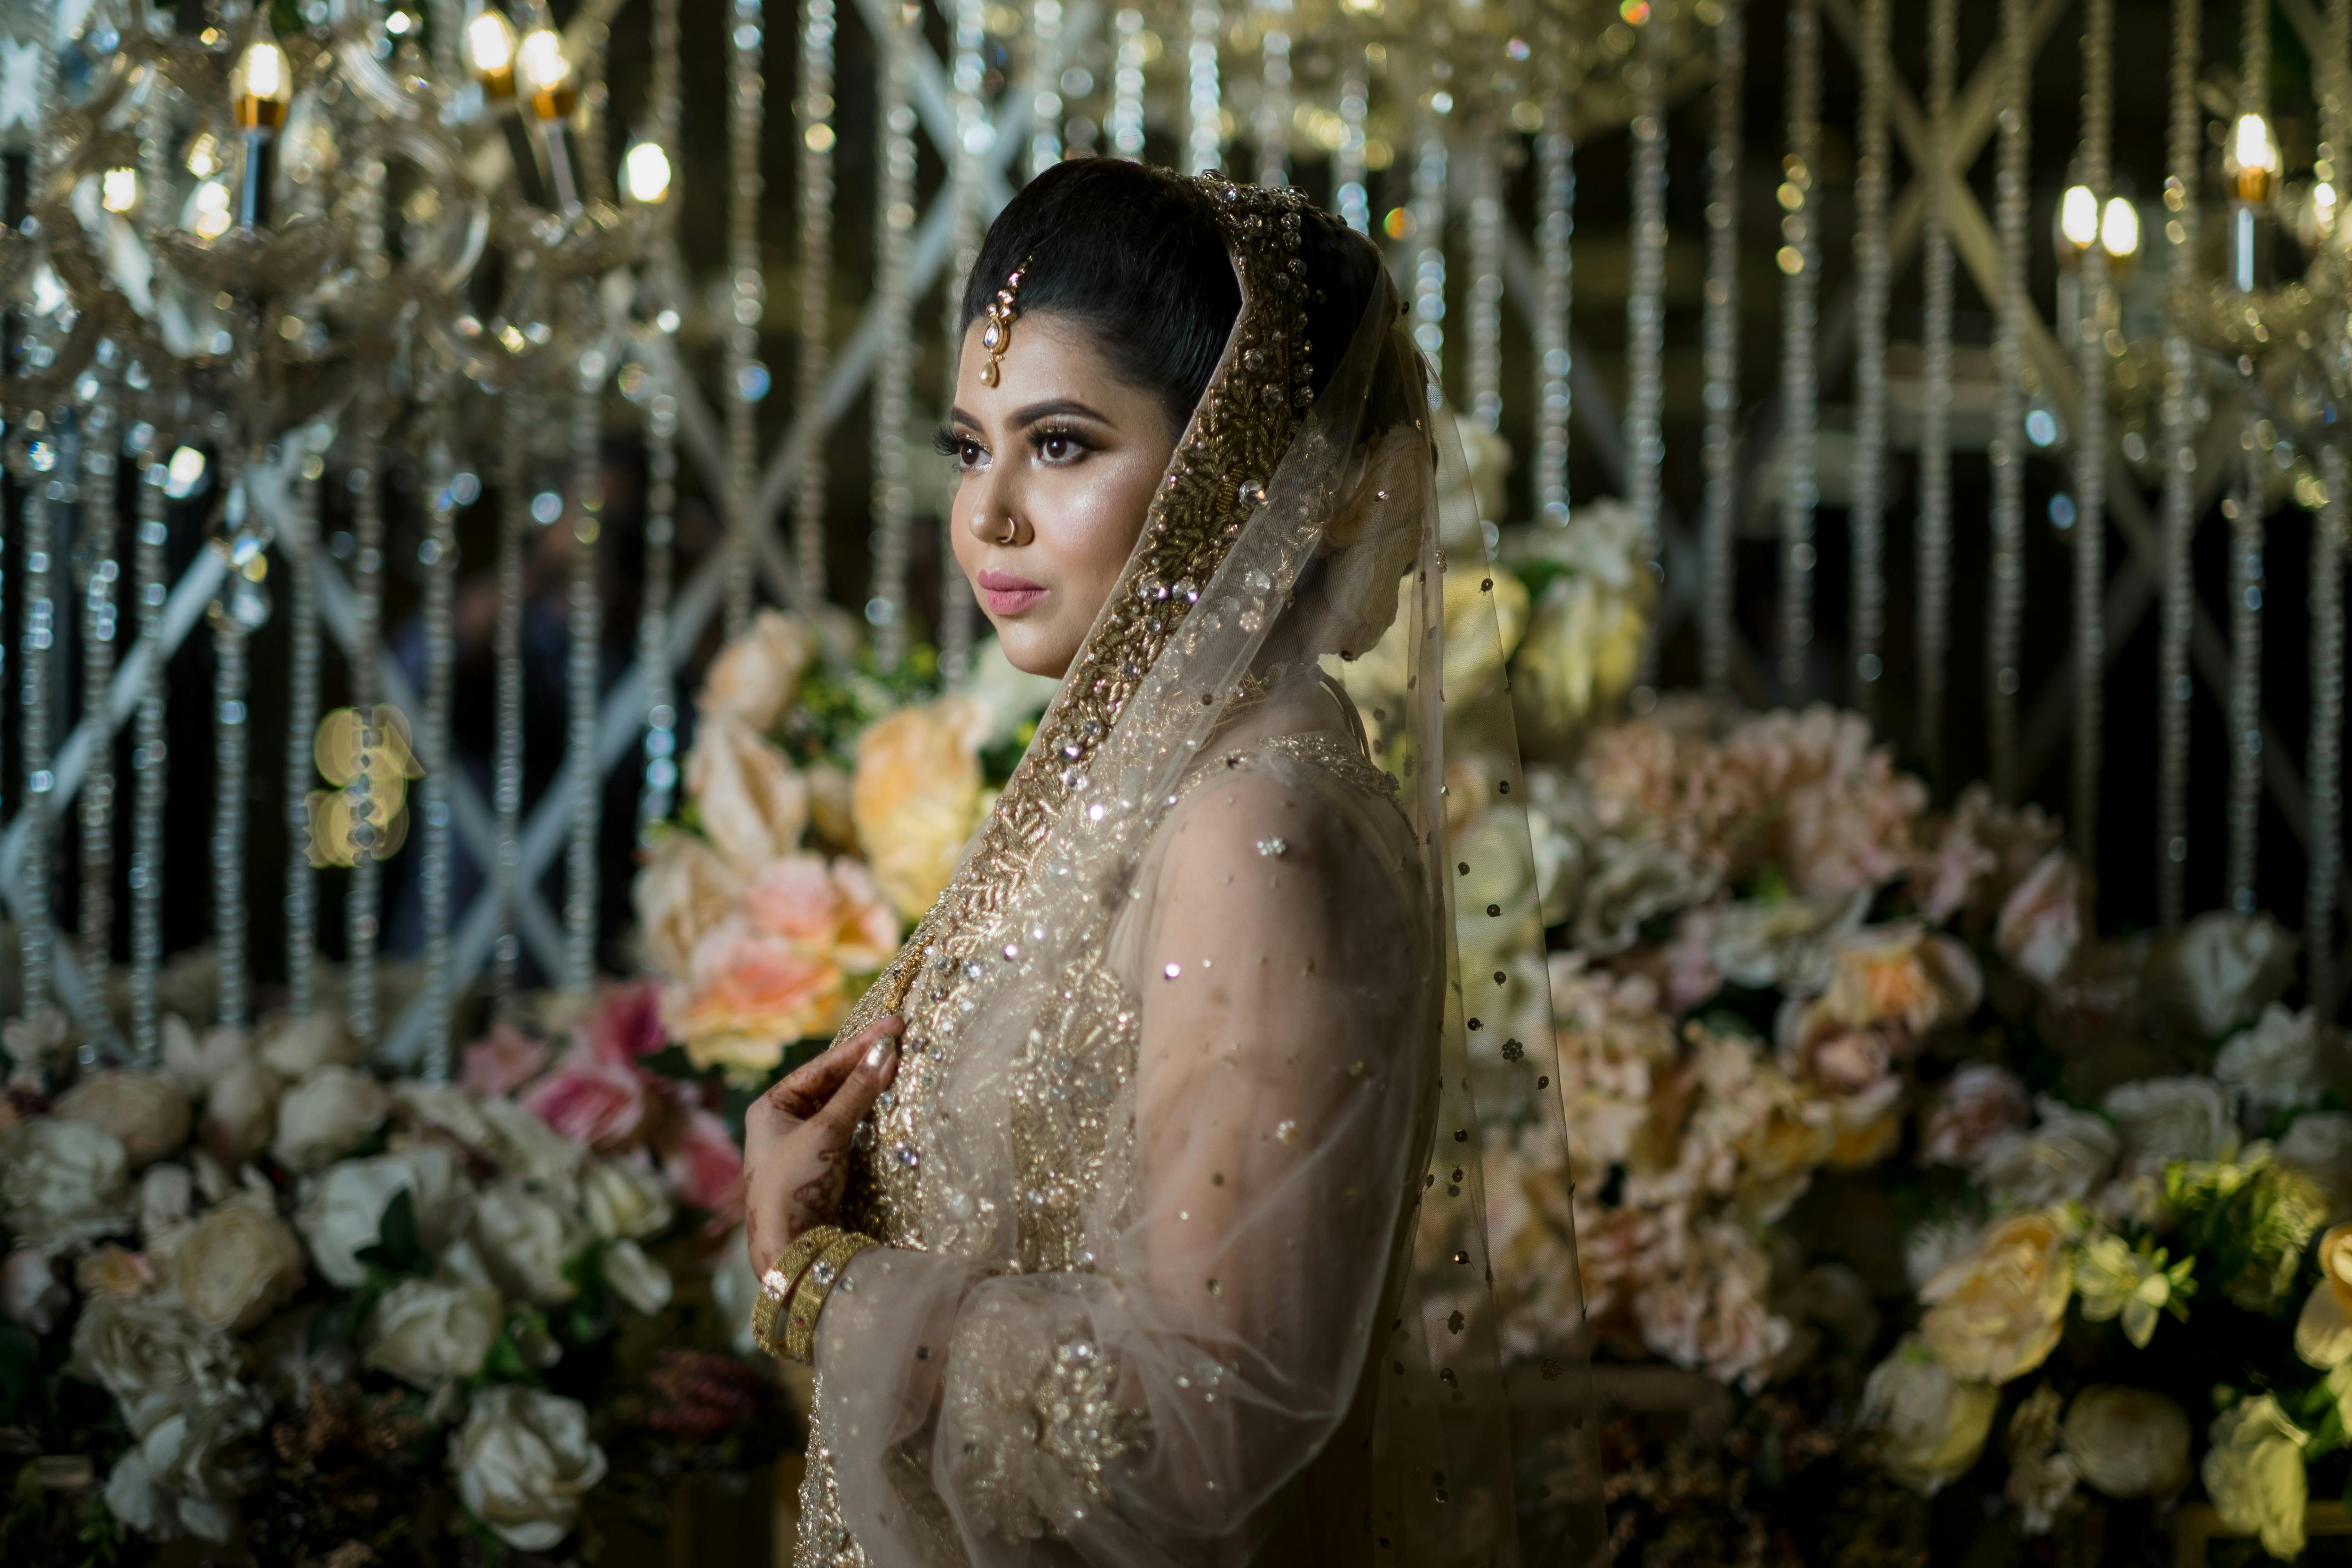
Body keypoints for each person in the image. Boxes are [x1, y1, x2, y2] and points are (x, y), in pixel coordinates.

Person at [739, 159, 1600, 1568]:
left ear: (1244, 477)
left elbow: (1206, 1428)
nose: (989, 514)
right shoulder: (1151, 796)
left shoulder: (1249, 831)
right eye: (969, 447)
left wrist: (815, 1284)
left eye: (1060, 445)